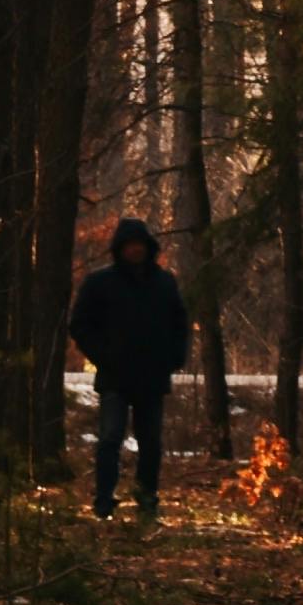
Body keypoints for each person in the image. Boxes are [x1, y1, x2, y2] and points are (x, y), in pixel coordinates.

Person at [68, 216, 192, 517]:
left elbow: (180, 324)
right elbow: (80, 325)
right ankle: (103, 500)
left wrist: (174, 358)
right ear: (120, 248)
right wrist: (104, 357)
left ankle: (147, 499)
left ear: (148, 247)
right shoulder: (100, 283)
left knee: (151, 443)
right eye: (129, 245)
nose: (135, 251)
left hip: (152, 377)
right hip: (115, 377)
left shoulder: (164, 282)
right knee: (110, 438)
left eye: (139, 245)